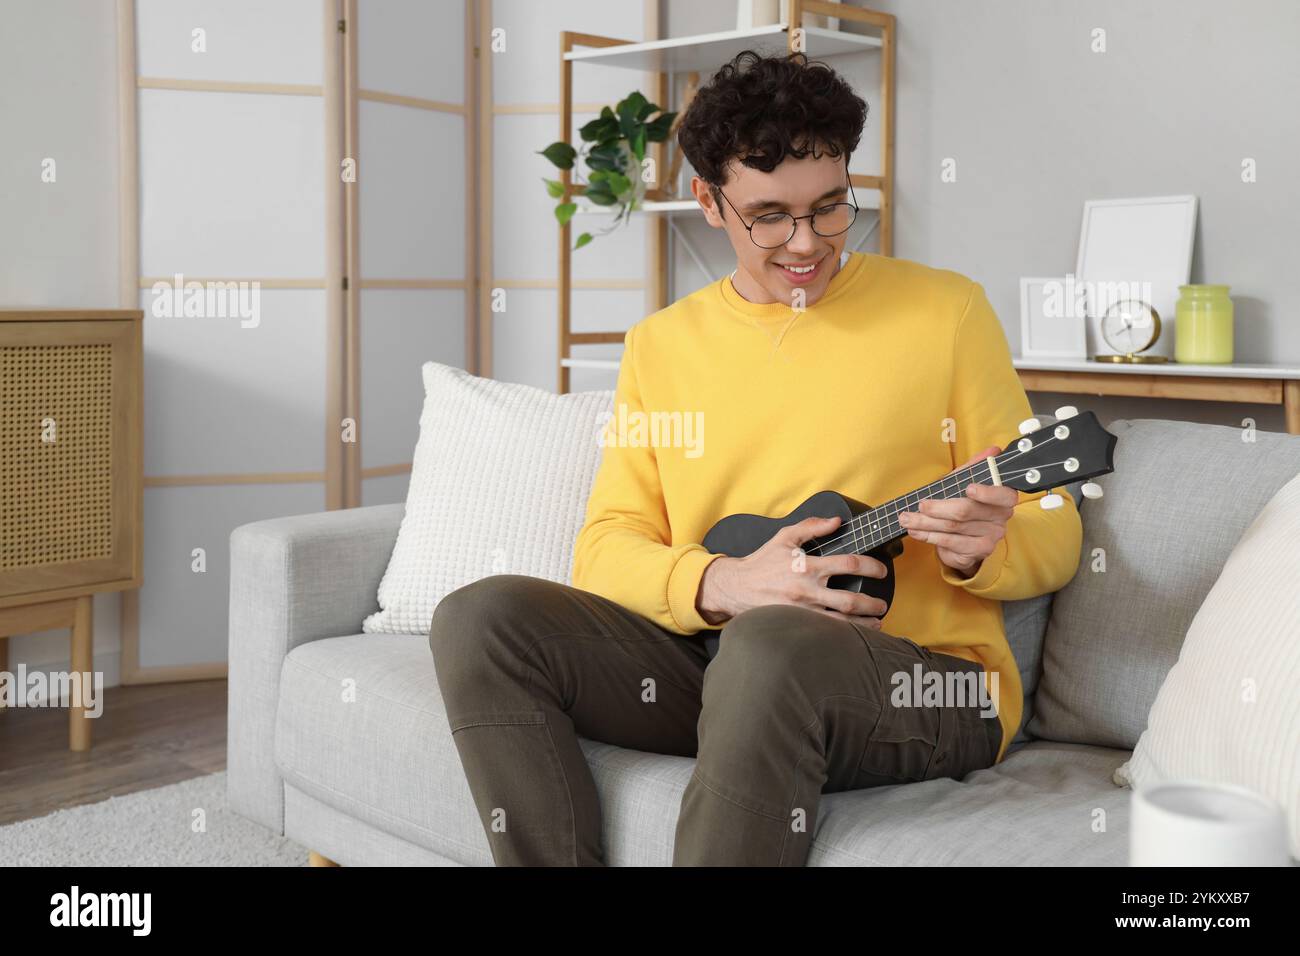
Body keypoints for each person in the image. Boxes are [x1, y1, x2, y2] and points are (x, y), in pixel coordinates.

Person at [429, 49, 1082, 866]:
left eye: (831, 208)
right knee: (481, 620)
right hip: (725, 664)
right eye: (769, 216)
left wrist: (990, 546)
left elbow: (1053, 525)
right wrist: (724, 583)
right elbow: (607, 545)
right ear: (708, 200)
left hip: (935, 687)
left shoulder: (947, 312)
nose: (806, 243)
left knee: (771, 646)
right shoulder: (661, 347)